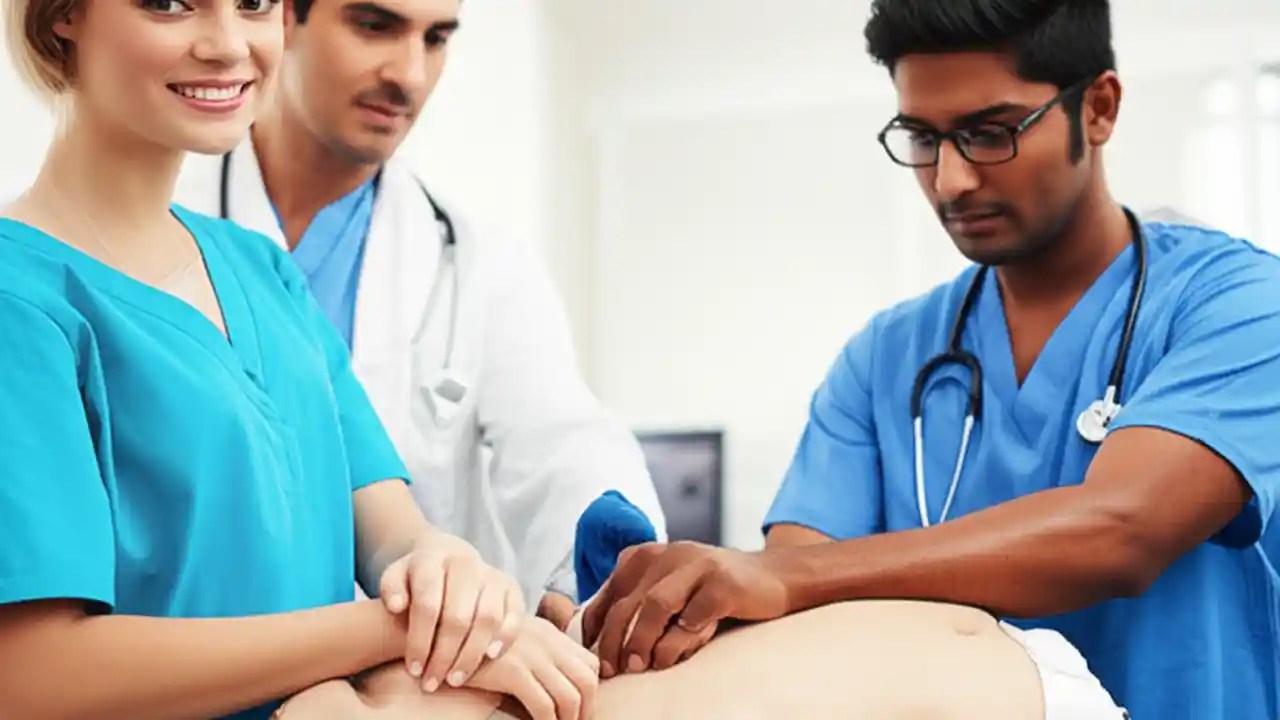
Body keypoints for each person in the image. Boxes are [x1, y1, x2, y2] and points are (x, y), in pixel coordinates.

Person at [576, 2, 1280, 719]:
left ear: (1098, 108)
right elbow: (795, 610)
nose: (950, 181)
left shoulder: (1240, 305)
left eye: (989, 135)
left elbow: (1122, 531)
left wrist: (782, 579)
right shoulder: (885, 360)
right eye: (922, 138)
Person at [0, 0, 594, 717]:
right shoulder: (20, 298)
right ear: (62, 14)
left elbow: (391, 530)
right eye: (169, 3)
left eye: (252, 4)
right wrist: (387, 630)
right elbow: (33, 673)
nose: (228, 46)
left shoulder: (263, 272)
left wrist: (450, 576)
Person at [170, 0, 668, 606]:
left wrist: (618, 558)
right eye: (374, 26)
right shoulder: (152, 231)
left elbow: (560, 440)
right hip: (203, 663)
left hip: (417, 668)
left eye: (435, 39)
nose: (409, 74)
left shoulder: (478, 258)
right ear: (282, 19)